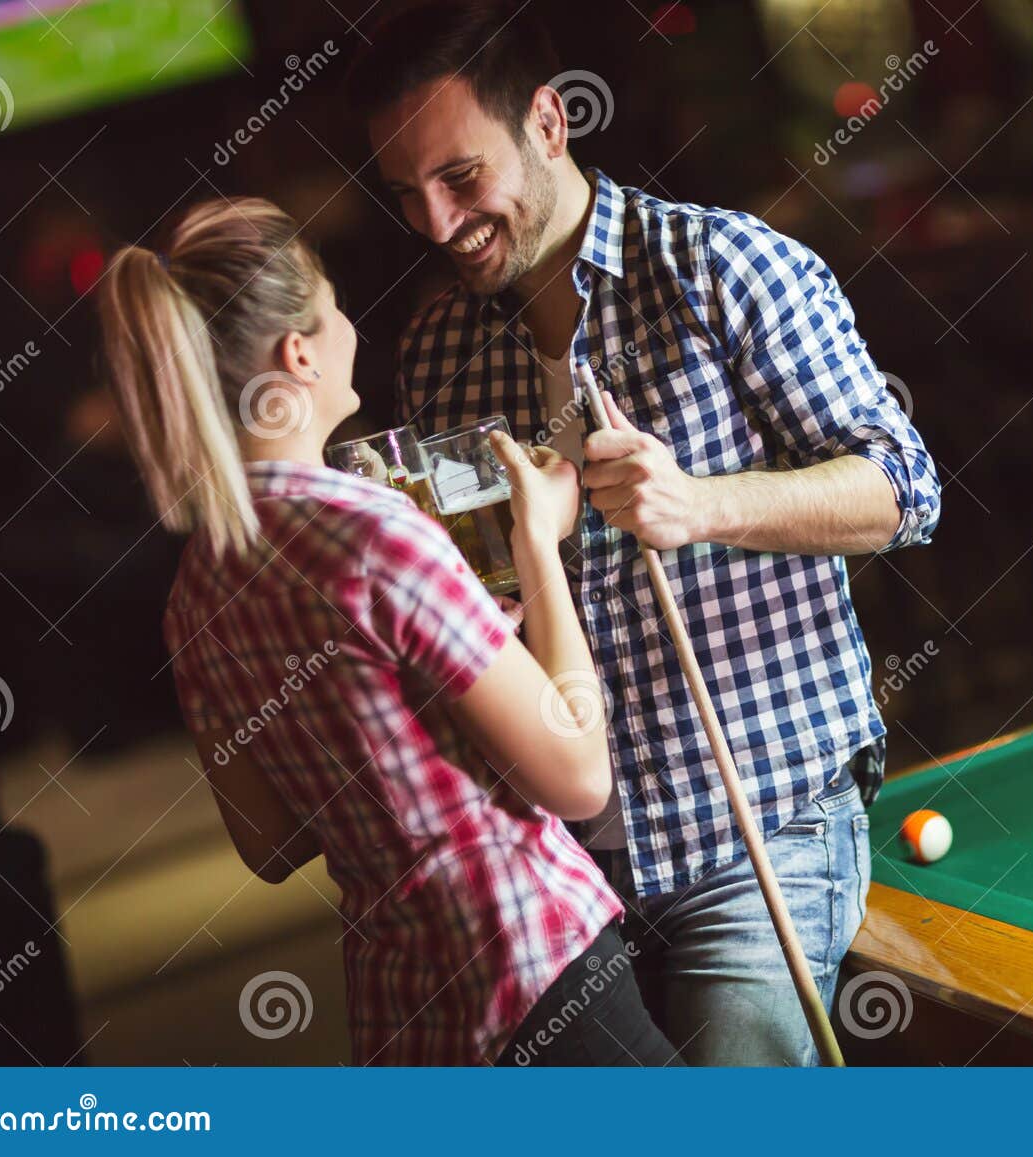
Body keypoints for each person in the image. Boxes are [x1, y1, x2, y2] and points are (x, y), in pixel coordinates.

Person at [346, 3, 942, 1065]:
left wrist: (704, 503)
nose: (436, 224)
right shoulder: (438, 347)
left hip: (759, 821)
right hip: (567, 866)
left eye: (461, 179)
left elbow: (905, 487)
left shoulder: (724, 265)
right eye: (408, 196)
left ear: (547, 120)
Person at [95, 196, 681, 1066]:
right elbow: (577, 774)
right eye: (334, 315)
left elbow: (273, 843)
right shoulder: (378, 532)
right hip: (538, 969)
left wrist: (404, 710)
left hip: (409, 1020)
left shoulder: (195, 589)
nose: (350, 333)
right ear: (298, 352)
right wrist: (536, 542)